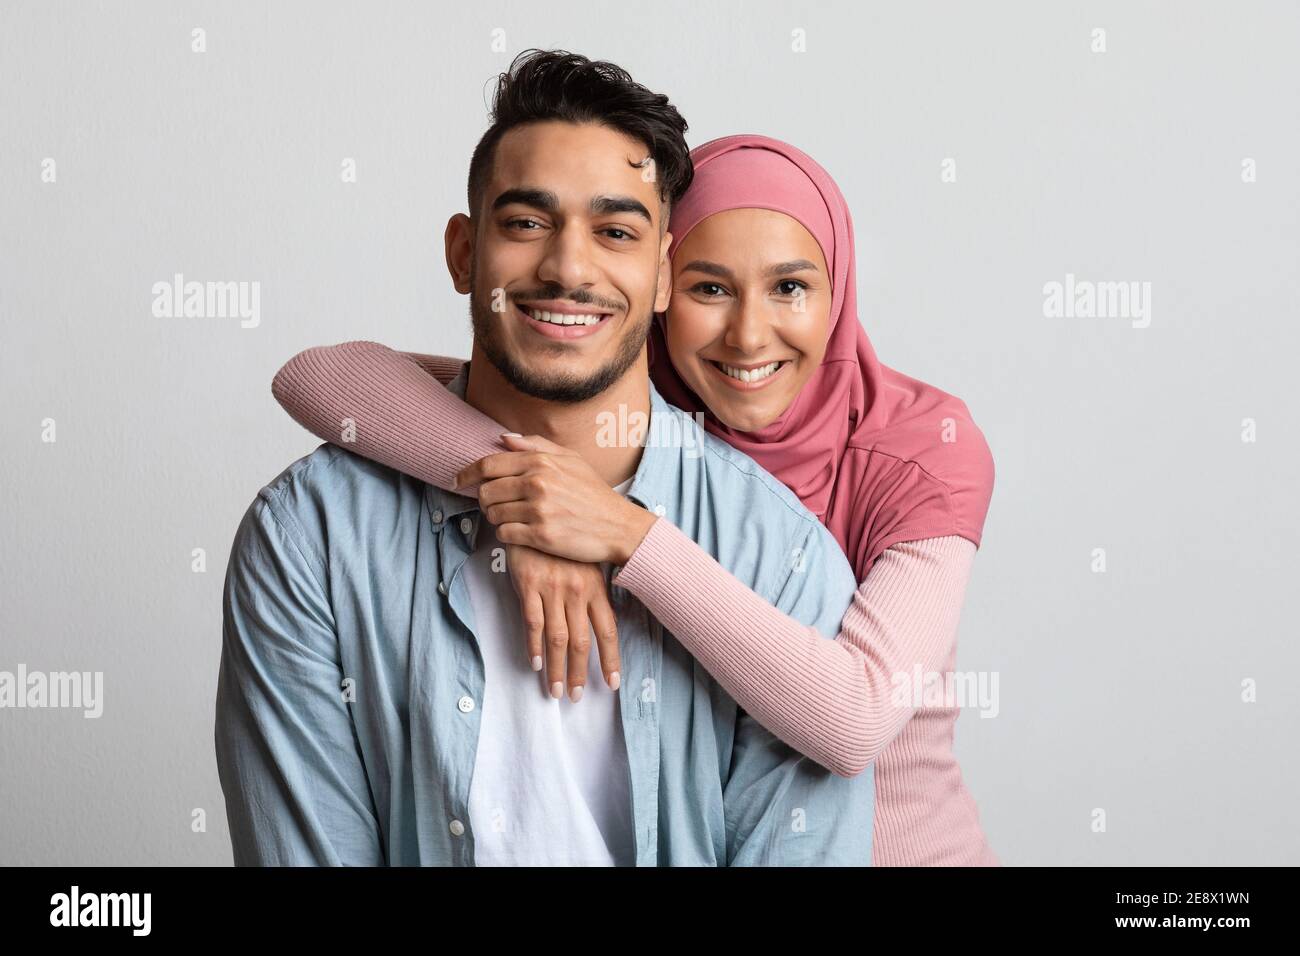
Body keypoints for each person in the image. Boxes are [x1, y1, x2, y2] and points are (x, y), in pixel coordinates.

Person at [215, 49, 874, 866]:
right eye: (527, 223)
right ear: (464, 254)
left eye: (616, 232)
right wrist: (518, 495)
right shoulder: (312, 537)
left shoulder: (780, 560)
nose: (567, 267)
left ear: (665, 276)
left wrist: (621, 536)